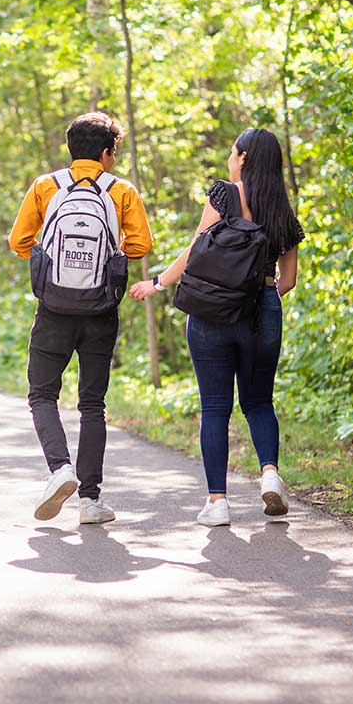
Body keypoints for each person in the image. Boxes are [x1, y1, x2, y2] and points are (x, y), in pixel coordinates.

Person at [130, 128, 304, 527]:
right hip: (263, 310)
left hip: (212, 312)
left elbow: (195, 249)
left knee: (214, 407)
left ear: (242, 158)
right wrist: (260, 293)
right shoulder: (283, 211)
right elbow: (289, 280)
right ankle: (270, 474)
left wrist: (158, 283)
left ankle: (218, 502)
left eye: (231, 151)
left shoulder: (224, 194)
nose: (229, 158)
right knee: (259, 402)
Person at [9, 112, 153, 525]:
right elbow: (140, 245)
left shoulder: (46, 186)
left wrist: (52, 256)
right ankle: (90, 502)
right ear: (108, 154)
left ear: (70, 149)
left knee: (41, 395)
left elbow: (19, 243)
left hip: (53, 308)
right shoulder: (121, 191)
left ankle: (60, 470)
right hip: (101, 310)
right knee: (92, 404)